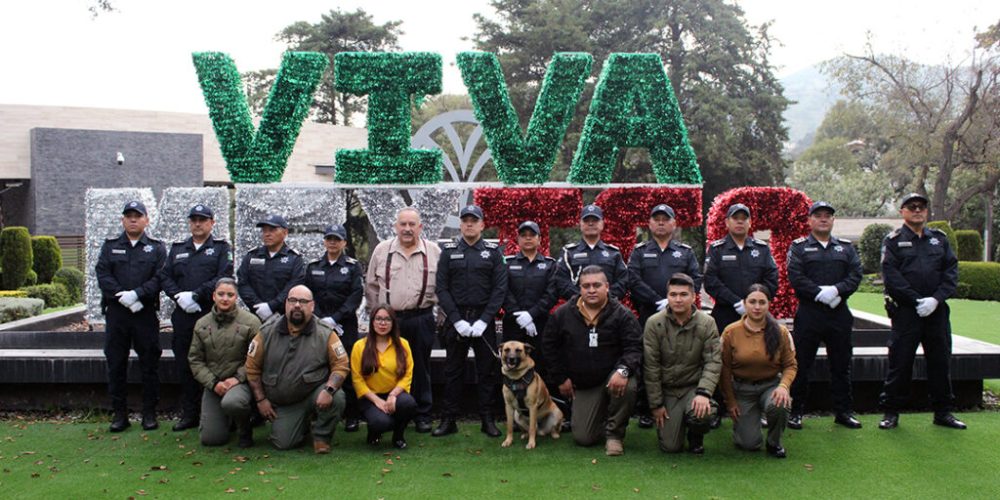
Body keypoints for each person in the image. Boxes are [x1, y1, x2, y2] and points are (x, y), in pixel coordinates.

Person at [878, 193, 965, 430]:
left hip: (936, 312)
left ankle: (943, 412)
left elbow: (951, 272)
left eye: (922, 207)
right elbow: (892, 277)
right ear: (903, 212)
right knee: (900, 362)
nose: (918, 211)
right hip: (907, 312)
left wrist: (935, 300)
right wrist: (918, 300)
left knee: (940, 362)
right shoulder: (893, 241)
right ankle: (891, 412)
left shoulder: (939, 239)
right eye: (912, 207)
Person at [542, 266, 642, 456]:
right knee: (583, 438)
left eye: (597, 285)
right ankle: (601, 417)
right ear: (579, 288)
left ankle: (614, 435)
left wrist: (623, 370)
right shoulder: (562, 314)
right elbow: (549, 347)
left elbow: (634, 348)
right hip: (585, 383)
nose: (591, 290)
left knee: (628, 385)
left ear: (607, 287)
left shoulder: (623, 314)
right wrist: (561, 378)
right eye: (586, 286)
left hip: (614, 378)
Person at [242, 285, 349, 453]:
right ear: (286, 304)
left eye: (303, 301)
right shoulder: (266, 332)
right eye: (293, 300)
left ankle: (322, 437)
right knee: (283, 444)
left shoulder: (326, 333)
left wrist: (328, 390)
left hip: (313, 394)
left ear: (312, 305)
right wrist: (261, 400)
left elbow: (341, 365)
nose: (297, 305)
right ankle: (302, 426)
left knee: (337, 397)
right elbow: (252, 368)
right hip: (283, 402)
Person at [786, 201, 863, 430]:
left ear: (832, 220)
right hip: (810, 313)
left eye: (827, 216)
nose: (823, 219)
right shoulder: (799, 247)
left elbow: (855, 274)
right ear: (809, 220)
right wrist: (820, 293)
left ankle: (843, 411)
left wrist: (837, 291)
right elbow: (796, 277)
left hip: (838, 313)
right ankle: (795, 411)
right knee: (801, 364)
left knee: (841, 365)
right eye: (818, 215)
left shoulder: (846, 248)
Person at [433, 205, 508, 438]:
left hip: (483, 321)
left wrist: (485, 320)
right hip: (457, 320)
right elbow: (441, 288)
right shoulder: (448, 251)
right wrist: (456, 320)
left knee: (486, 372)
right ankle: (449, 420)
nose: (469, 224)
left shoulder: (494, 253)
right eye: (465, 220)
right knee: (453, 371)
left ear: (482, 225)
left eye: (474, 220)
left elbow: (500, 289)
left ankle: (487, 420)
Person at [365, 207, 441, 433]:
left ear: (420, 227)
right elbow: (371, 285)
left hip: (421, 317)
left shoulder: (434, 252)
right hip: (389, 319)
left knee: (420, 367)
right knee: (387, 365)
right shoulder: (382, 250)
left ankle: (422, 414)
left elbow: (444, 287)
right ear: (395, 227)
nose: (407, 229)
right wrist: (376, 317)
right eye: (403, 224)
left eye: (412, 224)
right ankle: (387, 410)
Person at [159, 204, 234, 432]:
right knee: (186, 364)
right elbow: (164, 275)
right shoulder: (178, 248)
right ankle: (189, 414)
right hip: (183, 315)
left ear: (212, 223)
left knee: (215, 362)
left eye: (202, 220)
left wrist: (196, 294)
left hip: (210, 314)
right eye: (193, 220)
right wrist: (178, 296)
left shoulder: (221, 248)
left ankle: (217, 415)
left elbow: (224, 275)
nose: (198, 224)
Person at [627, 203, 702, 429]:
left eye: (665, 218)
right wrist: (656, 301)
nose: (660, 222)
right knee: (648, 359)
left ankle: (679, 405)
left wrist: (673, 302)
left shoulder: (685, 252)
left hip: (680, 316)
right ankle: (646, 409)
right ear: (649, 224)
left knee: (677, 358)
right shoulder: (639, 251)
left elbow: (695, 280)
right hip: (649, 314)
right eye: (656, 218)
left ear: (673, 223)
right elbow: (633, 280)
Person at [96, 200, 167, 432]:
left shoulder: (156, 248)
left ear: (147, 220)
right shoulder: (110, 246)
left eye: (138, 215)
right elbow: (103, 274)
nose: (133, 219)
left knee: (149, 364)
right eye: (129, 216)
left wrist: (137, 294)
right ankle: (119, 414)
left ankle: (149, 413)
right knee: (116, 363)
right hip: (117, 314)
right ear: (122, 220)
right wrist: (120, 296)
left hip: (144, 313)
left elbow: (160, 277)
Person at [643, 273, 720, 454]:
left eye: (684, 295)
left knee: (702, 414)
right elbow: (651, 366)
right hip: (667, 390)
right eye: (673, 295)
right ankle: (675, 425)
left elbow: (713, 361)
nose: (678, 299)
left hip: (693, 388)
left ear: (693, 297)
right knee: (670, 447)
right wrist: (656, 404)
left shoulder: (707, 323)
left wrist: (704, 393)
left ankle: (696, 434)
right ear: (667, 296)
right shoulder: (654, 323)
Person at [719, 284, 798, 458]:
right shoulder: (730, 332)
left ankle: (774, 442)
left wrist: (783, 386)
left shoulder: (781, 332)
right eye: (752, 302)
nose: (757, 307)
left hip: (770, 386)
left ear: (769, 304)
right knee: (748, 444)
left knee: (780, 403)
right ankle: (746, 425)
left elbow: (790, 365)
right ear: (745, 304)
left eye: (762, 302)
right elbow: (724, 369)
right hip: (742, 390)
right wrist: (731, 401)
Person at [187, 278, 261, 447]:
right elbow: (195, 360)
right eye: (221, 294)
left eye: (230, 295)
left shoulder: (251, 322)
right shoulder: (202, 324)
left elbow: (256, 358)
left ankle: (244, 428)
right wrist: (213, 384)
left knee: (232, 402)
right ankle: (226, 421)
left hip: (241, 382)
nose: (225, 298)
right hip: (214, 383)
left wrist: (237, 378)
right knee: (211, 439)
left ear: (236, 297)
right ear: (214, 296)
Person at [305, 224, 364, 432]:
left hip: (344, 325)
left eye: (337, 239)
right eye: (329, 238)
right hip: (318, 324)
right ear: (324, 241)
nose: (332, 242)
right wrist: (322, 318)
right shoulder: (313, 266)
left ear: (344, 243)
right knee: (319, 366)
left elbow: (355, 295)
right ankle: (319, 412)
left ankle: (352, 415)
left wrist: (336, 318)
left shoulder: (352, 266)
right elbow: (309, 294)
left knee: (346, 367)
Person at [704, 203, 779, 334]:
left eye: (744, 218)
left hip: (757, 313)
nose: (740, 221)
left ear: (749, 222)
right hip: (725, 313)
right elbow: (710, 281)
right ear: (727, 222)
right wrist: (735, 302)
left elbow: (772, 279)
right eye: (735, 218)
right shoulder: (717, 249)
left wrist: (753, 302)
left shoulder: (761, 249)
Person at [351, 305, 417, 449]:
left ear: (393, 323)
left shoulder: (403, 344)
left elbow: (408, 374)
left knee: (409, 404)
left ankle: (398, 436)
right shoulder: (359, 346)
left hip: (395, 394)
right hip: (370, 397)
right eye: (378, 319)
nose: (382, 323)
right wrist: (377, 401)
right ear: (372, 321)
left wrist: (393, 395)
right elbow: (357, 379)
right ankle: (375, 431)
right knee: (381, 423)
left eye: (387, 319)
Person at [502, 220, 557, 356]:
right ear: (518, 239)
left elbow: (551, 293)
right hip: (513, 324)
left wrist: (531, 314)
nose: (528, 238)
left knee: (541, 366)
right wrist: (520, 316)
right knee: (512, 367)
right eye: (523, 235)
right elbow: (503, 291)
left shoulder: (550, 265)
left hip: (540, 323)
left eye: (532, 235)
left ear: (539, 240)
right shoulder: (507, 263)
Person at [237, 214, 305, 323]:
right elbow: (243, 282)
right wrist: (258, 307)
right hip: (255, 316)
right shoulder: (252, 256)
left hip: (283, 317)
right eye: (264, 230)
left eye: (272, 230)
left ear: (285, 232)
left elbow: (294, 285)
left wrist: (271, 306)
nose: (267, 234)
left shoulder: (294, 258)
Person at [553, 204, 629, 301]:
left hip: (608, 308)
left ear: (602, 224)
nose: (590, 224)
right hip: (576, 309)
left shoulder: (613, 253)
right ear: (580, 224)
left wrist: (605, 298)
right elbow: (561, 280)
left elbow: (624, 280)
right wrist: (582, 298)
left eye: (595, 220)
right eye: (586, 221)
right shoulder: (568, 253)